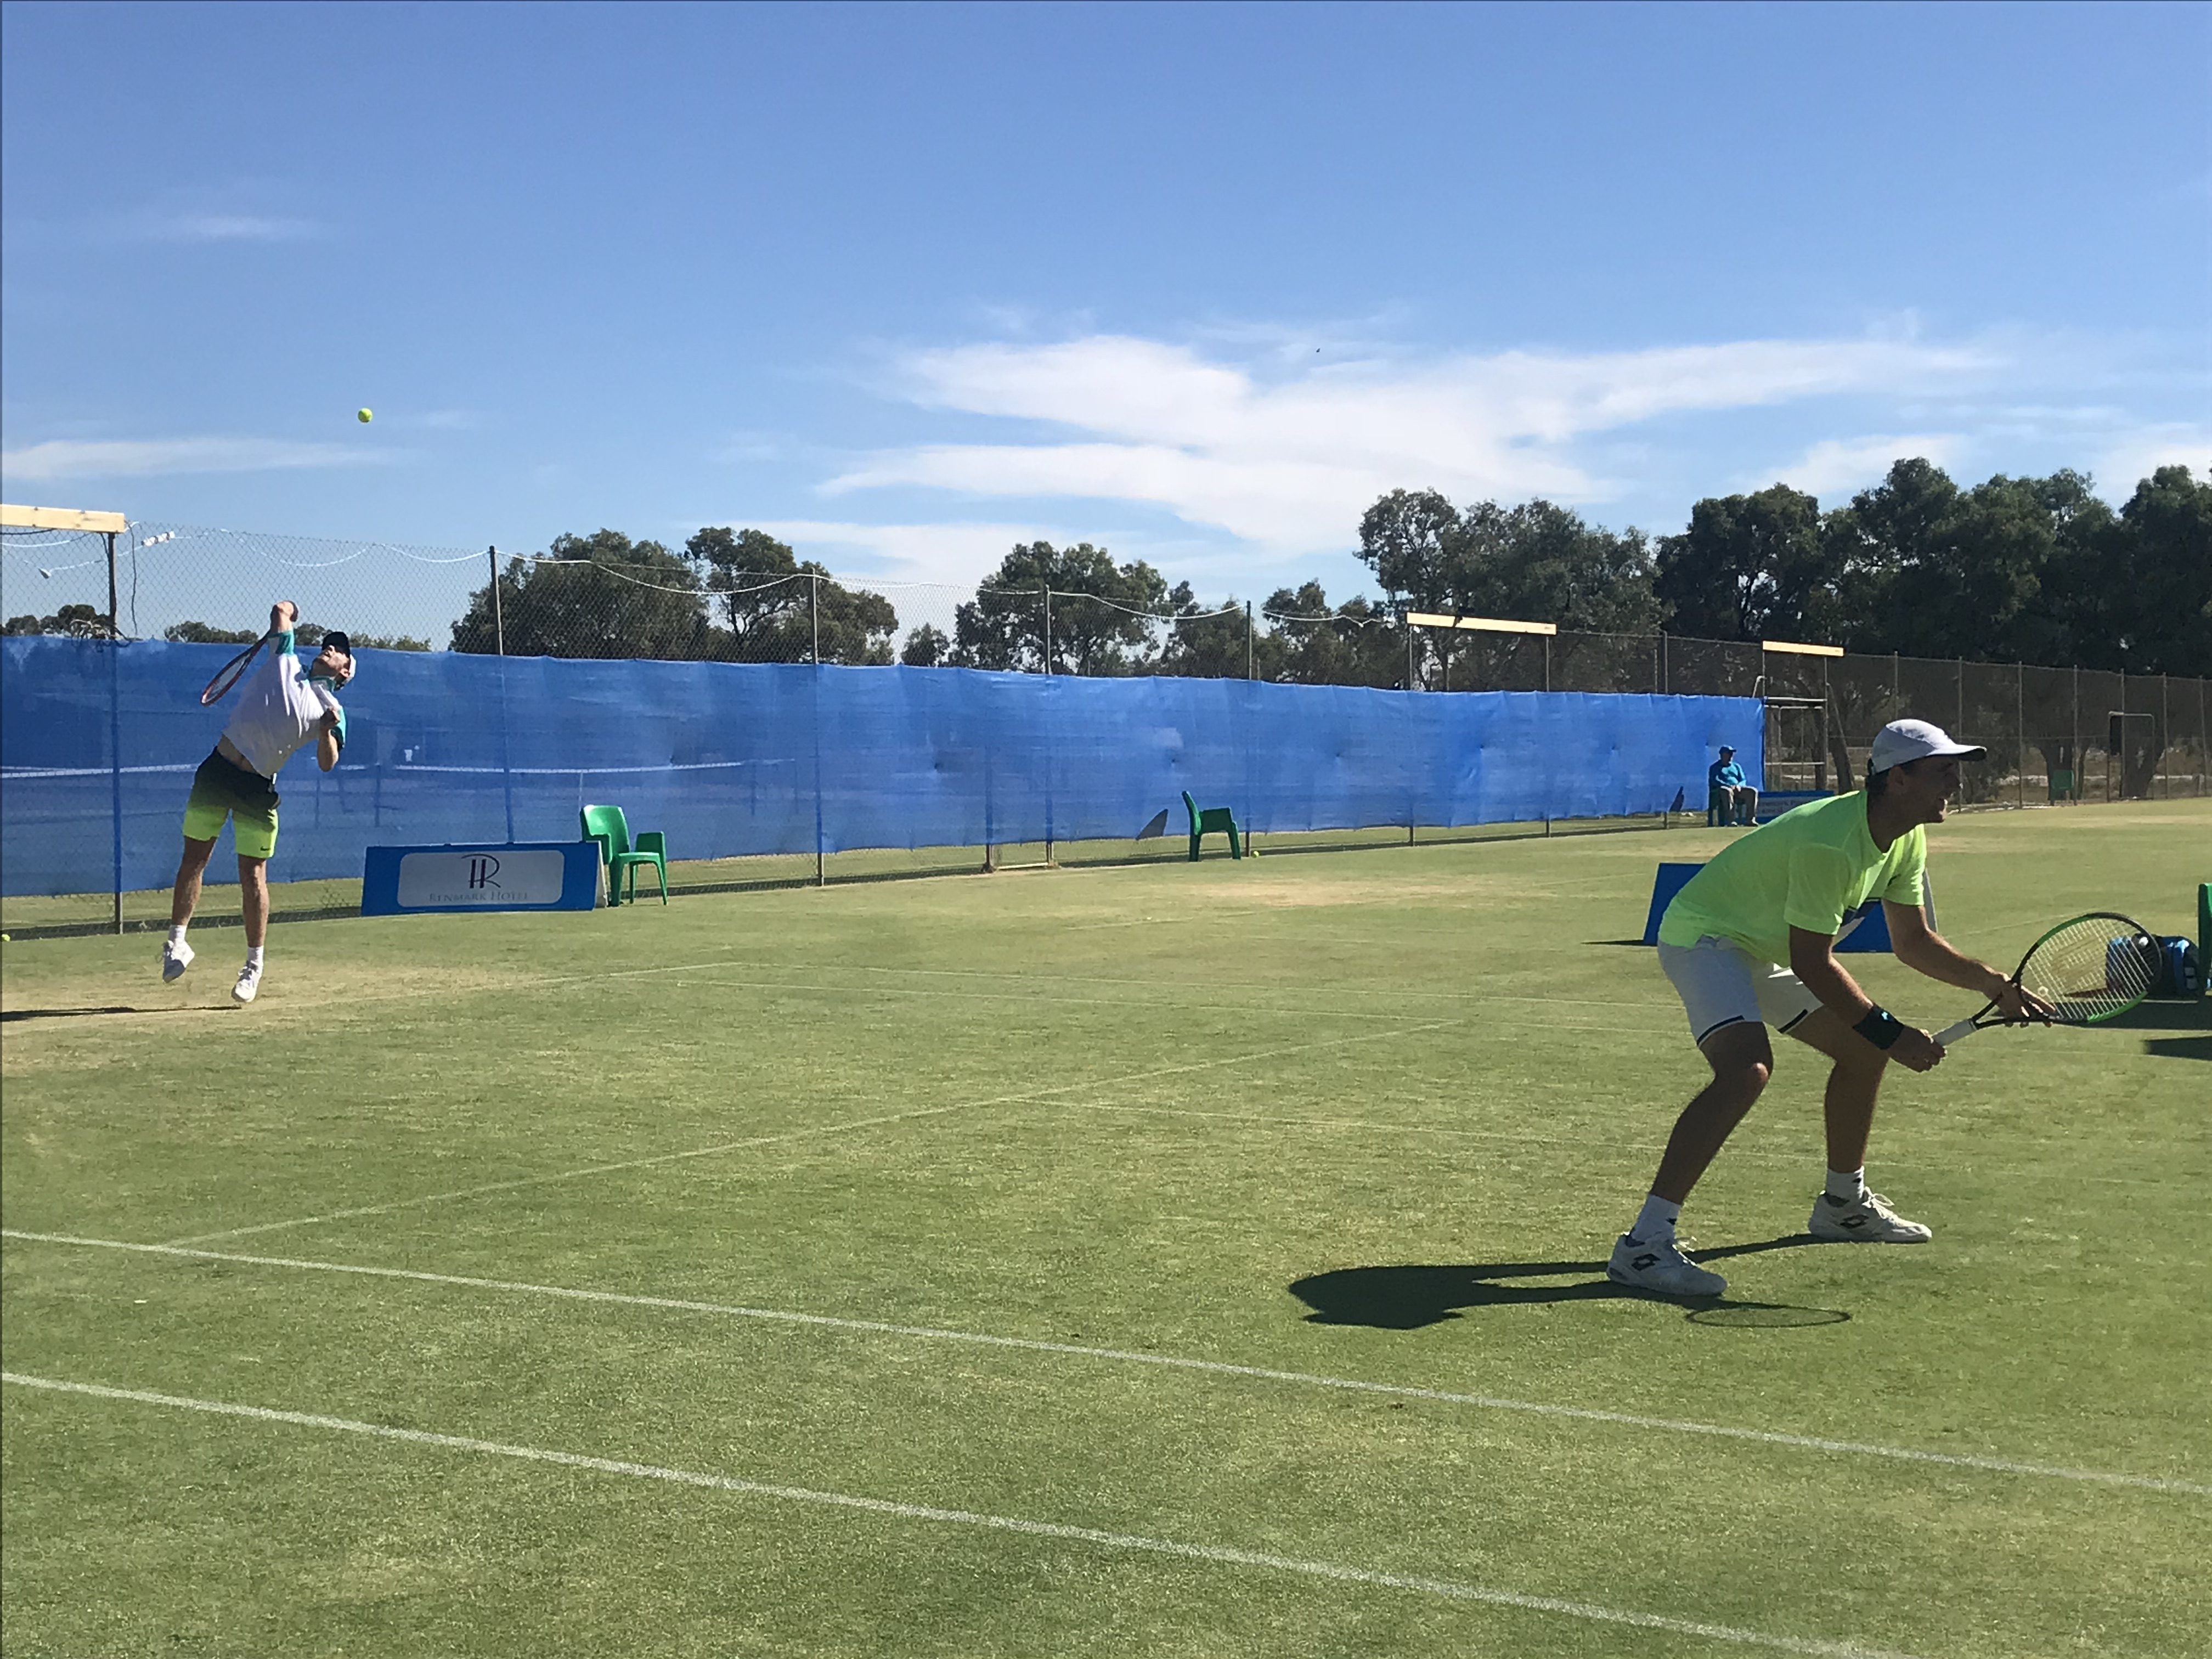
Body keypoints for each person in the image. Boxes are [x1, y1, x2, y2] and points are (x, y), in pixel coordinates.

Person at [1607, 719, 2051, 1297]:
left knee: (1863, 1052)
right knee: (1746, 1069)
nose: (1955, 784)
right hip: (1705, 937)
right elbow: (1813, 962)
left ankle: (1843, 1205)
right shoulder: (1830, 841)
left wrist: (1994, 985)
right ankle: (1644, 1246)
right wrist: (1894, 1033)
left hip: (1760, 946)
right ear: (1898, 781)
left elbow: (1912, 941)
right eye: (1943, 772)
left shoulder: (1906, 837)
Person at [161, 602, 353, 1004]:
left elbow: (328, 763)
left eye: (339, 652)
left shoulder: (333, 711)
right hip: (217, 772)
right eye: (328, 646)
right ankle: (176, 943)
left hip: (257, 789)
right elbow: (280, 610)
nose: (329, 649)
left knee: (253, 877)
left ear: (345, 671)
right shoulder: (283, 656)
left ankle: (253, 967)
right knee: (194, 859)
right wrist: (293, 609)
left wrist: (325, 732)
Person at [1708, 745, 1757, 826]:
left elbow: (1743, 779)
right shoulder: (1715, 767)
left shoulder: (1736, 766)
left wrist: (1739, 786)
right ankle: (1731, 821)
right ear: (1722, 755)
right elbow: (1715, 780)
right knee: (1727, 791)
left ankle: (1750, 820)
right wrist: (1729, 786)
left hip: (1737, 789)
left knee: (1752, 791)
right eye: (1729, 753)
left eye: (1732, 754)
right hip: (1721, 791)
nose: (1731, 755)